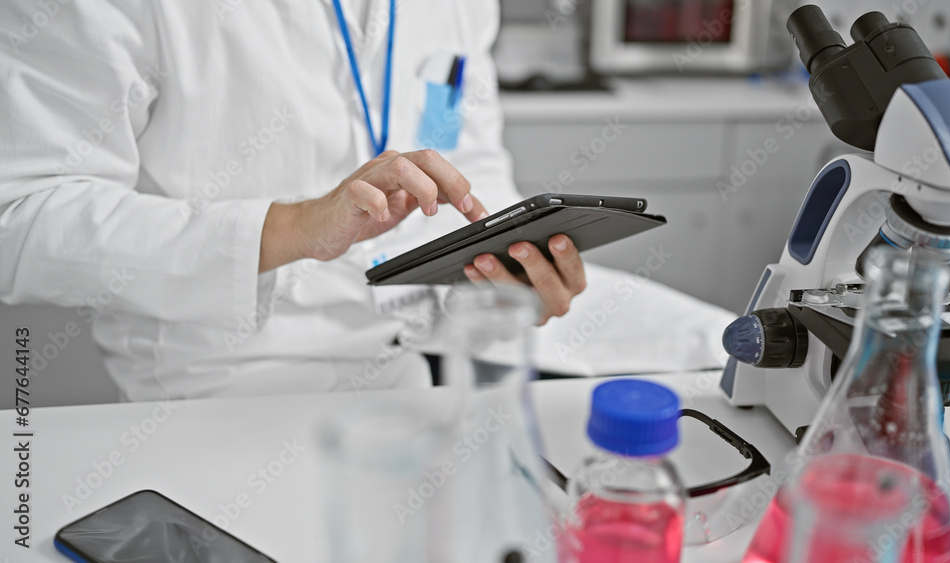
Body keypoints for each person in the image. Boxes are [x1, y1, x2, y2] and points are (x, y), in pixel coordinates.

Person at [0, 0, 585, 400]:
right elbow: (20, 214)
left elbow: (468, 161)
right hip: (229, 391)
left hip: (439, 362)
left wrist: (506, 278)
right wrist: (293, 227)